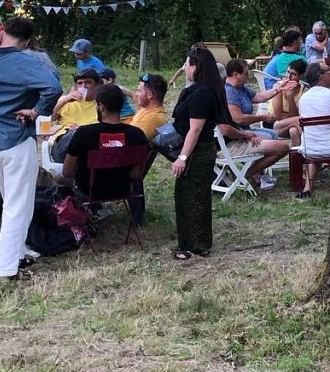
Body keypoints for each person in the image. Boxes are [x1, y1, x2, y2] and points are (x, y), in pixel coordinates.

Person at [0, 17, 63, 280]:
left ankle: (19, 252)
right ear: (28, 40)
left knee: (16, 200)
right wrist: (37, 111)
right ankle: (8, 269)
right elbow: (54, 87)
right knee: (16, 204)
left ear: (2, 31)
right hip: (16, 142)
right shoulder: (29, 64)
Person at [170, 45, 229, 260]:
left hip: (197, 151)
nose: (185, 68)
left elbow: (195, 129)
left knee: (194, 198)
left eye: (187, 64)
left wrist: (182, 157)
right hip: (198, 150)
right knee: (187, 196)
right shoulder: (203, 90)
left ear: (195, 67)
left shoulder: (201, 94)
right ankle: (189, 242)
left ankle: (196, 245)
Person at [60, 83, 150, 205]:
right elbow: (136, 174)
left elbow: (67, 172)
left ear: (101, 107)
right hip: (122, 190)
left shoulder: (84, 133)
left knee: (54, 177)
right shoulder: (137, 134)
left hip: (88, 191)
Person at [221, 60, 292, 192]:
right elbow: (238, 119)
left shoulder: (240, 88)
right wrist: (262, 117)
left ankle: (258, 174)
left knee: (273, 134)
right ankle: (249, 174)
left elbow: (259, 97)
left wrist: (278, 89)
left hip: (244, 130)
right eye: (246, 73)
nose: (248, 76)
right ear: (236, 74)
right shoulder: (229, 92)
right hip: (237, 136)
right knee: (275, 142)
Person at [294, 61, 330, 198]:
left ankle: (308, 187)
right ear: (321, 76)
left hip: (310, 150)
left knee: (316, 141)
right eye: (328, 69)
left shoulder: (303, 99)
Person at [51, 69, 104, 140]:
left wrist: (82, 129)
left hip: (91, 137)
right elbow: (48, 119)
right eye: (80, 83)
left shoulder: (102, 103)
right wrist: (64, 101)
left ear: (97, 85)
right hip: (66, 138)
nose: (83, 86)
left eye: (88, 82)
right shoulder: (65, 101)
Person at [125, 72, 168, 141]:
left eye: (139, 91)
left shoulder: (152, 119)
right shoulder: (146, 110)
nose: (136, 94)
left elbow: (126, 141)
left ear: (149, 95)